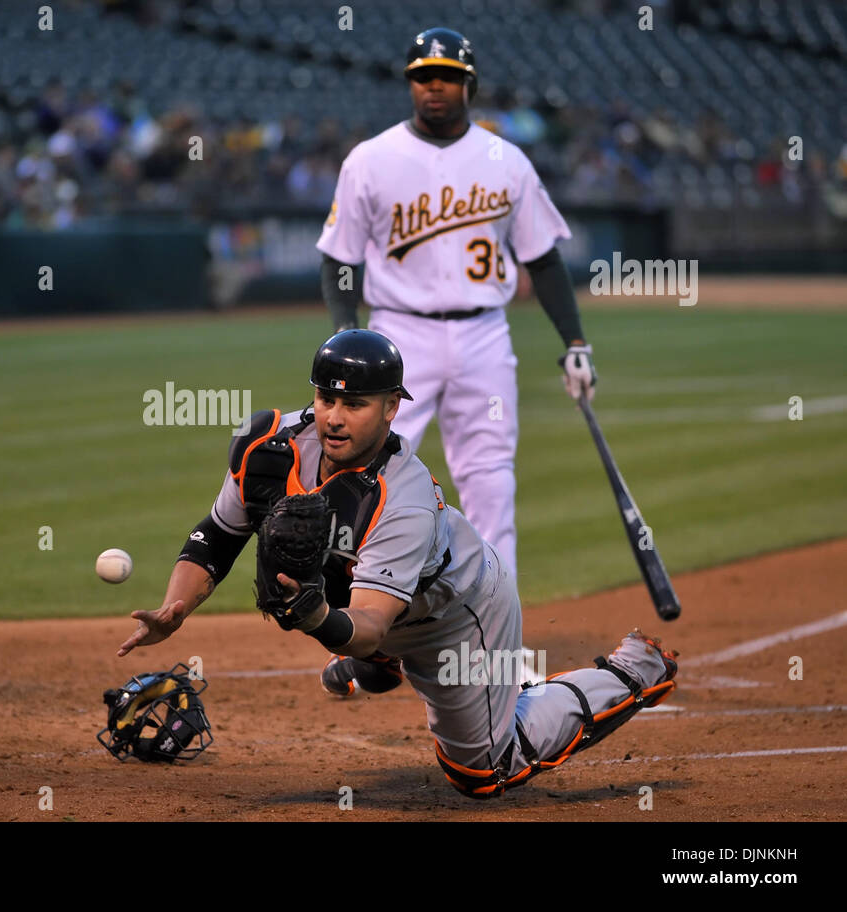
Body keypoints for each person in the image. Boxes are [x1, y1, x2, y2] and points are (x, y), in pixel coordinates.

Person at [117, 330, 676, 797]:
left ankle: (630, 672)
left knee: (482, 772)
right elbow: (217, 537)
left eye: (354, 405)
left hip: (454, 616)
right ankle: (383, 666)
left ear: (391, 408)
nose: (334, 418)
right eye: (324, 399)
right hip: (367, 596)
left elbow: (366, 627)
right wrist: (176, 608)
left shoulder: (402, 497)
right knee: (328, 576)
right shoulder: (268, 448)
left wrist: (317, 621)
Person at [317, 27, 597, 581]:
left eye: (447, 77)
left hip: (483, 334)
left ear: (470, 84)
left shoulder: (507, 160)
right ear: (410, 84)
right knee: (361, 473)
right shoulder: (371, 159)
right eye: (423, 77)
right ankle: (353, 626)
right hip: (398, 336)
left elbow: (542, 258)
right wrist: (347, 334)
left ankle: (497, 634)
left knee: (492, 479)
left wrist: (575, 341)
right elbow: (340, 258)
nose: (434, 87)